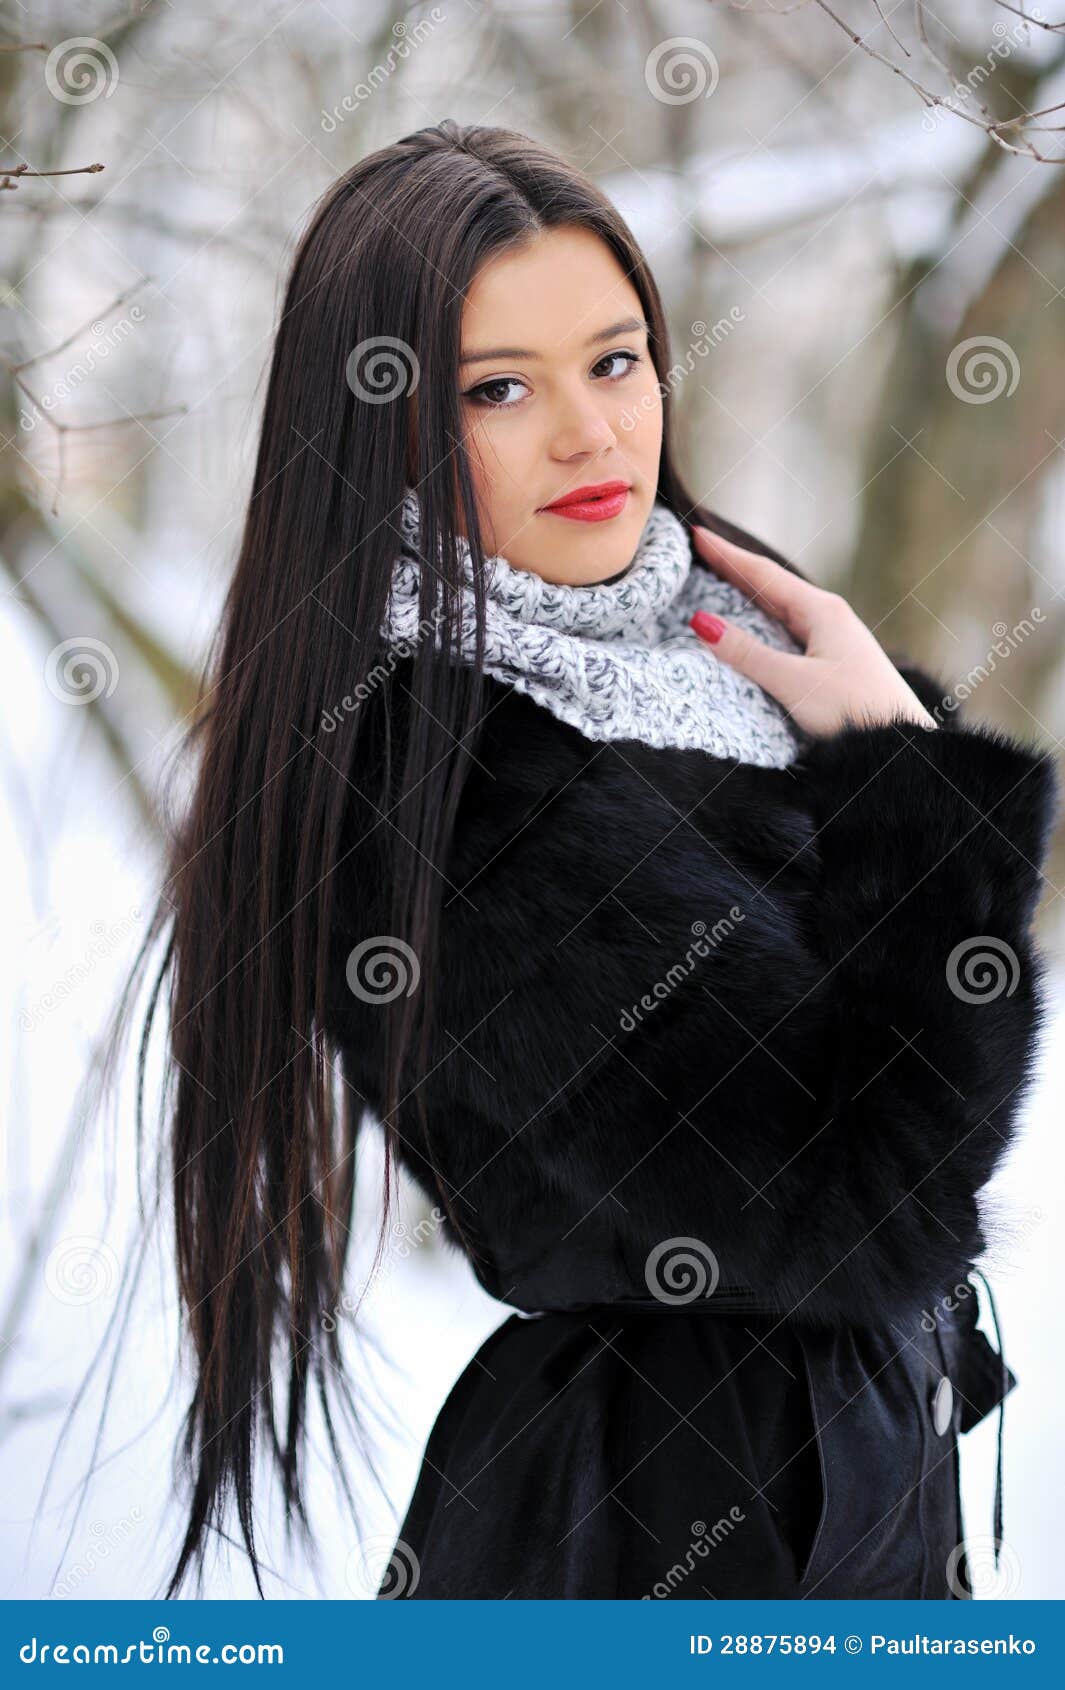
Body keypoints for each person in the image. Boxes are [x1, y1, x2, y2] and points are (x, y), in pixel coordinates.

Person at [111, 119, 1058, 1599]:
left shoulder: (734, 659)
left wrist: (890, 755)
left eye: (615, 361)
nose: (589, 433)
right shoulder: (426, 778)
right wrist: (914, 794)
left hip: (853, 1497)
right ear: (385, 426)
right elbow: (864, 1199)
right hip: (652, 1522)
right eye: (499, 388)